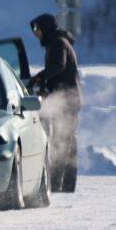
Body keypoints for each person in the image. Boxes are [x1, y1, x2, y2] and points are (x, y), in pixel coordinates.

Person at [28, 13, 82, 193]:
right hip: (67, 99)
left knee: (61, 141)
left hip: (67, 100)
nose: (37, 34)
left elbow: (58, 67)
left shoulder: (58, 44)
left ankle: (58, 184)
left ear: (47, 28)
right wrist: (44, 81)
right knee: (66, 140)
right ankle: (65, 184)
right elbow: (58, 71)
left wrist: (41, 77)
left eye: (38, 30)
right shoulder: (57, 42)